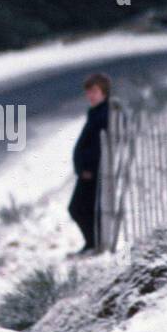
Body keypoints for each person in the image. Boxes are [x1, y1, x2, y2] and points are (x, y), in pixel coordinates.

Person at [68, 72, 110, 254]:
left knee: (79, 208)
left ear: (104, 92)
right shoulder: (95, 113)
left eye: (94, 91)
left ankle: (94, 243)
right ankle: (92, 243)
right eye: (88, 92)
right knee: (82, 208)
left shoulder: (104, 114)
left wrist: (89, 168)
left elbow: (100, 146)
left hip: (92, 172)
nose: (90, 96)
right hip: (86, 171)